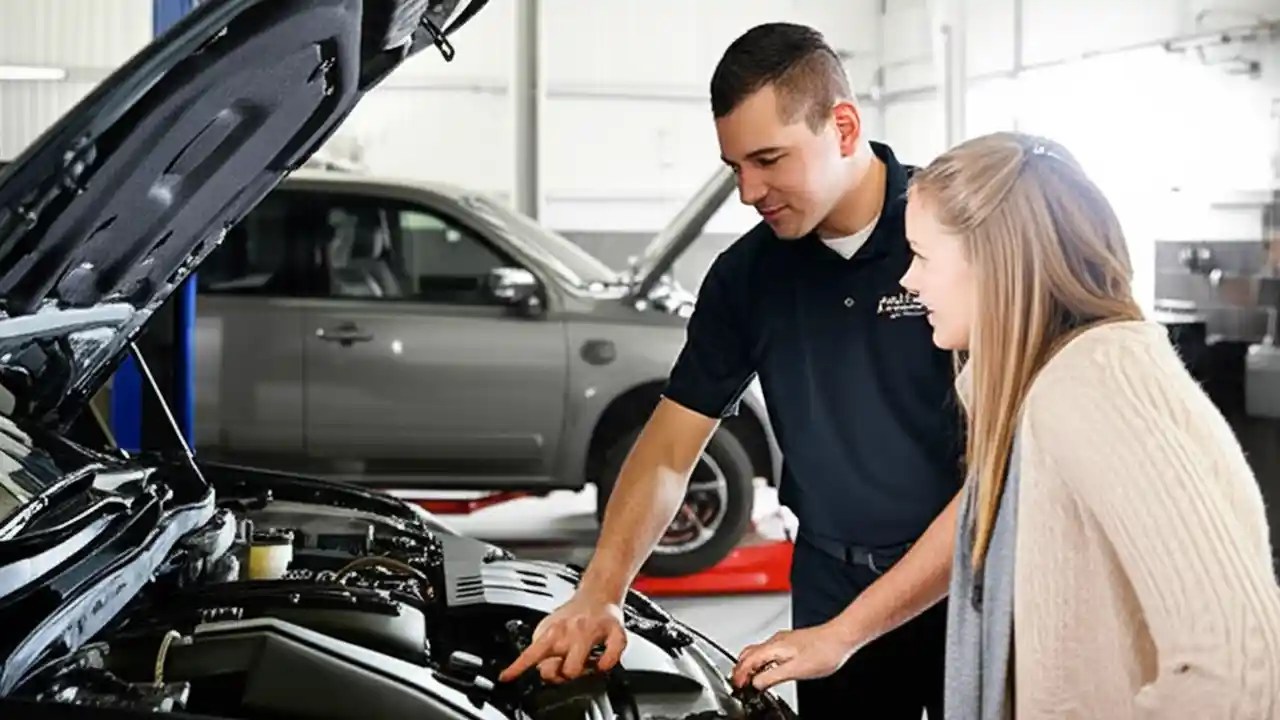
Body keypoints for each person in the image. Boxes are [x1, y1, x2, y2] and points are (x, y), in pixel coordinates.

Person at [498, 22, 965, 718]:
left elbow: (1005, 471)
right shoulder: (747, 279)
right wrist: (601, 590)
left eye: (769, 159)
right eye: (735, 167)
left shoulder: (958, 234)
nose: (750, 191)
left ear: (842, 126)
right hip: (831, 579)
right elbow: (666, 451)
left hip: (967, 581)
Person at [898, 130, 1280, 718]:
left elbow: (1242, 667)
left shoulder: (1092, 383)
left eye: (923, 255)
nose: (909, 280)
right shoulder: (1047, 382)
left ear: (998, 260)